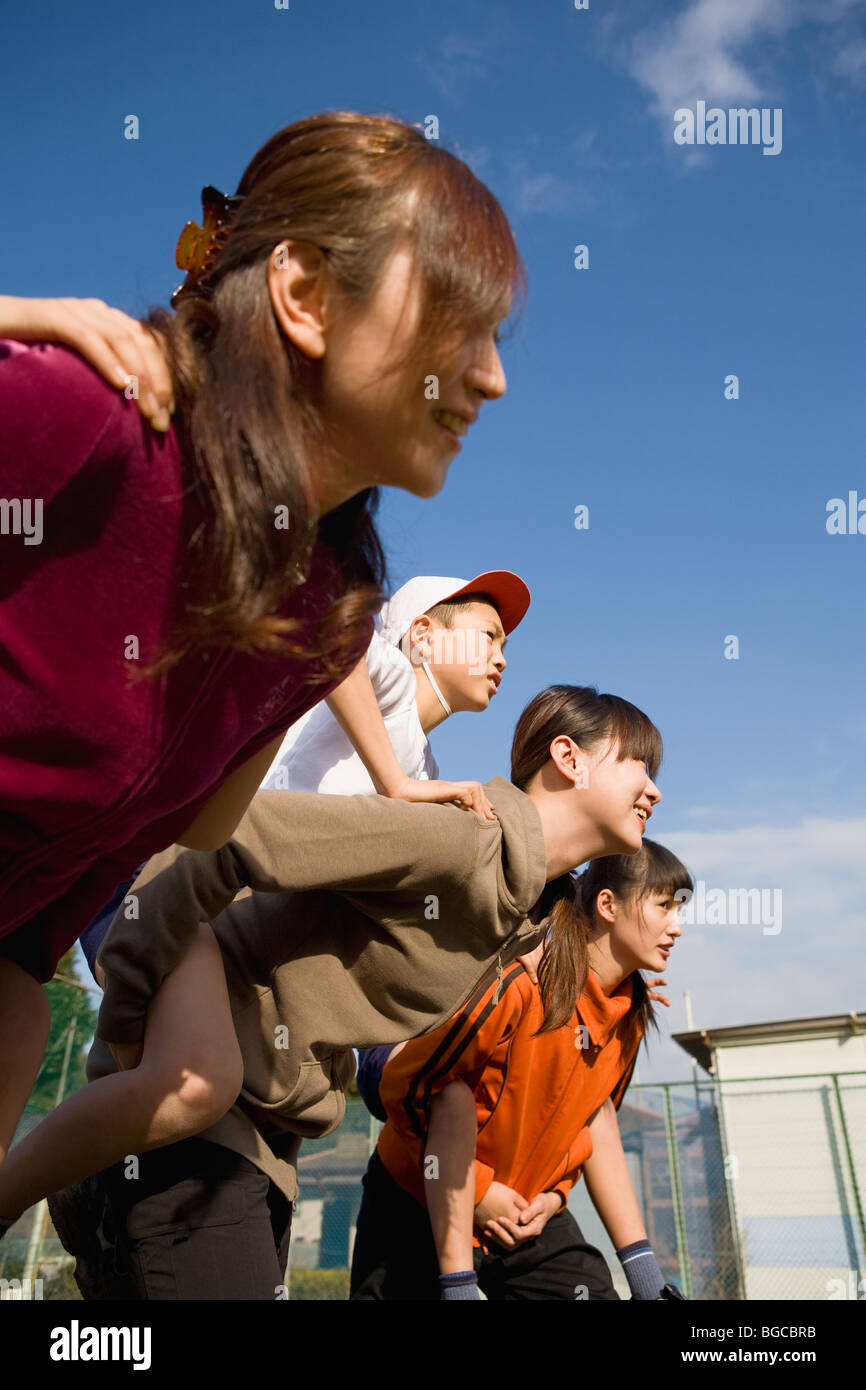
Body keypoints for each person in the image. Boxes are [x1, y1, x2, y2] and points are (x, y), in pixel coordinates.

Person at [0, 109, 522, 1167]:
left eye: (497, 338)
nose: (488, 378)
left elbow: (195, 832)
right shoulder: (92, 418)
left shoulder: (323, 613)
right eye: (456, 323)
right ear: (303, 296)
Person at [23, 683, 664, 1299]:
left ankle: (93, 1192)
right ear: (567, 757)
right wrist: (130, 1027)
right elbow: (227, 843)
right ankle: (69, 1181)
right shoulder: (462, 841)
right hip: (199, 1131)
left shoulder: (523, 919)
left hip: (268, 1145)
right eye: (639, 762)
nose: (654, 788)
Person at [349, 840, 692, 1301]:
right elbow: (411, 1094)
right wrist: (478, 1190)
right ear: (607, 905)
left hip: (528, 1216)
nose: (678, 926)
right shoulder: (520, 980)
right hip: (420, 1201)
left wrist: (555, 1197)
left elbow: (593, 1127)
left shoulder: (628, 1016)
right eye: (664, 906)